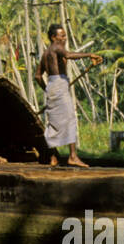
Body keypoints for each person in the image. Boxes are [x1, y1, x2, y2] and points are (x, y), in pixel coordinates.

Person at [39, 24, 102, 168]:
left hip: (52, 85)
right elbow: (68, 55)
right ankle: (73, 156)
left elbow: (38, 76)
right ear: (53, 37)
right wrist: (89, 55)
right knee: (70, 118)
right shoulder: (56, 47)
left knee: (54, 122)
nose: (64, 38)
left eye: (65, 35)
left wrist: (47, 89)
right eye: (61, 35)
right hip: (59, 83)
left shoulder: (45, 53)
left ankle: (53, 156)